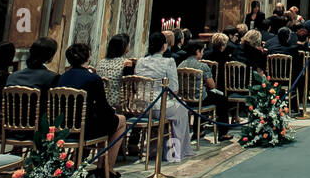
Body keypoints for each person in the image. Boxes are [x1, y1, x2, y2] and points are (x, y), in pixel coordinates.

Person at [56, 42, 125, 178]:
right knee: (120, 121)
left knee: (104, 121)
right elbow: (102, 108)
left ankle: (94, 165)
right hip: (85, 128)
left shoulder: (62, 77)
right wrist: (113, 112)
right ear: (88, 57)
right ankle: (107, 168)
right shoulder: (93, 78)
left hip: (64, 126)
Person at [134, 31, 192, 162]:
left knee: (169, 109)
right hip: (157, 106)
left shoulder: (140, 61)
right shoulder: (169, 62)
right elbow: (174, 89)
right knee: (182, 109)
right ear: (164, 46)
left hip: (138, 106)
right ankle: (174, 151)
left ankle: (155, 148)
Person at [179, 38, 232, 137]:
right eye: (202, 51)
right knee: (222, 100)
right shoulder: (202, 66)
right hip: (200, 99)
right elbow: (212, 86)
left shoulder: (181, 65)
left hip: (185, 99)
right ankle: (223, 133)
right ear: (197, 51)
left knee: (205, 95)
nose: (203, 53)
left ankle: (198, 131)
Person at [7, 37, 61, 105]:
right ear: (50, 57)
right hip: (37, 115)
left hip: (12, 115)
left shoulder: (12, 76)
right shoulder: (53, 78)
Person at [95, 33, 132, 97]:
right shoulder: (126, 63)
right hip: (117, 100)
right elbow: (130, 87)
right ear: (124, 47)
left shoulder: (101, 62)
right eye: (129, 43)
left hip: (99, 99)